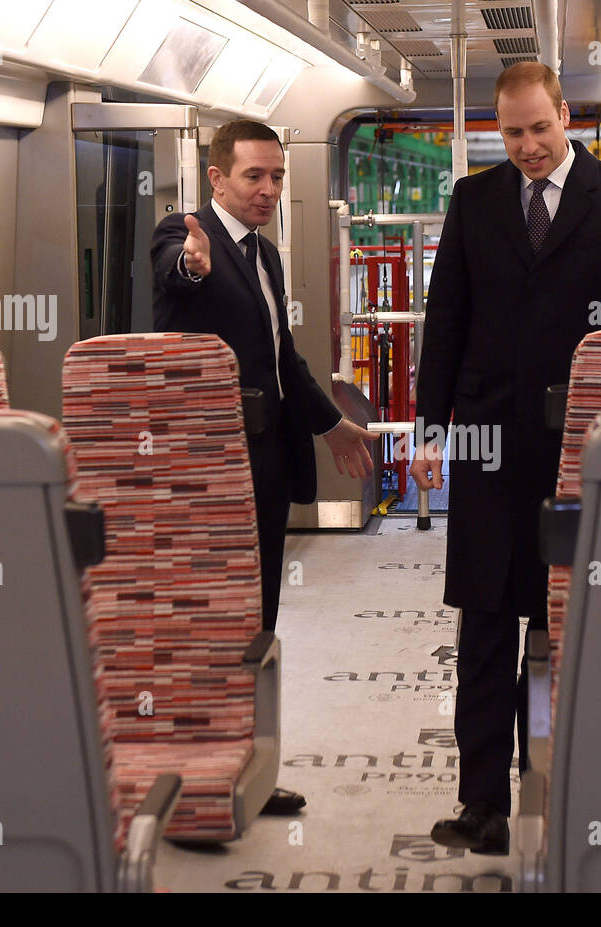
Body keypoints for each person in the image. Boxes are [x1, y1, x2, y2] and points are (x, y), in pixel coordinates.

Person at [412, 63, 601, 854]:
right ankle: (482, 804)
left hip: (578, 443)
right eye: (512, 133)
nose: (528, 146)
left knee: (574, 621)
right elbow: (447, 321)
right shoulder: (473, 200)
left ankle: (581, 789)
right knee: (486, 625)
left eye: (539, 128)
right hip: (488, 440)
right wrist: (430, 430)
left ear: (564, 116)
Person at [152, 119, 375, 816]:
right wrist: (191, 263)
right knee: (209, 623)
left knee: (258, 620)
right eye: (254, 176)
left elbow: (285, 362)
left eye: (277, 177)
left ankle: (250, 764)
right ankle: (193, 769)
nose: (268, 190)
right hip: (211, 473)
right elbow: (173, 272)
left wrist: (332, 423)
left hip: (268, 466)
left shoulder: (267, 256)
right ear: (216, 177)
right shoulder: (182, 236)